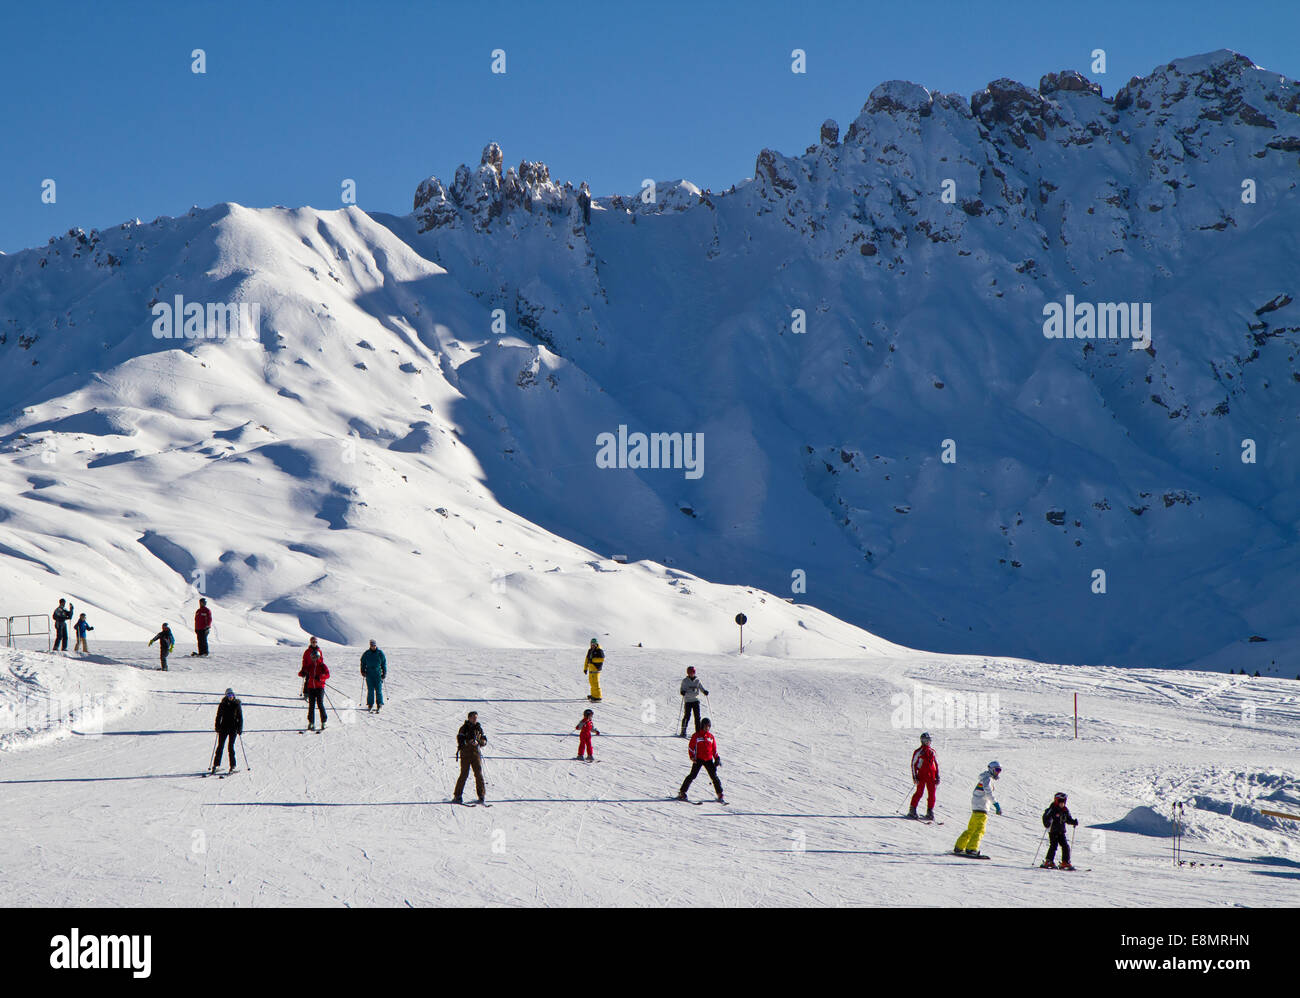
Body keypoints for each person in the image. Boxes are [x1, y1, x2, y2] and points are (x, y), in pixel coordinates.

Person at [953, 761, 1002, 858]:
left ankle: (959, 846)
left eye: (1000, 770)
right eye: (997, 770)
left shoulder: (985, 778)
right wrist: (996, 805)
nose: (998, 772)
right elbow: (988, 792)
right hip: (981, 807)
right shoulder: (987, 779)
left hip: (976, 806)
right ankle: (971, 848)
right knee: (980, 829)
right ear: (991, 769)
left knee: (971, 828)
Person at [677, 717, 725, 803]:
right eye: (706, 726)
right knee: (692, 775)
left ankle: (720, 794)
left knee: (714, 777)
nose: (707, 728)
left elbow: (714, 750)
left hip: (709, 760)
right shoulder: (696, 735)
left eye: (709, 726)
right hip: (699, 759)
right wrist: (692, 756)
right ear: (702, 726)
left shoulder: (711, 737)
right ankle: (682, 792)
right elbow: (691, 747)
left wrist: (717, 758)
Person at [452, 711, 488, 804]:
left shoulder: (479, 728)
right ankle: (457, 796)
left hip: (476, 754)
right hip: (466, 754)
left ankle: (481, 796)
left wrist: (479, 742)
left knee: (479, 774)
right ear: (469, 718)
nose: (475, 719)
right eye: (473, 717)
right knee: (464, 774)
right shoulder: (464, 728)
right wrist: (468, 742)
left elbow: (484, 740)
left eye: (476, 717)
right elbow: (460, 740)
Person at [1041, 792, 1080, 870]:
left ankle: (1065, 862)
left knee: (1065, 846)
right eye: (1061, 802)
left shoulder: (1065, 810)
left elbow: (1068, 819)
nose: (1062, 804)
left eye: (1063, 802)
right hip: (1053, 831)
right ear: (1056, 801)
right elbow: (1045, 817)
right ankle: (1049, 861)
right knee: (1053, 846)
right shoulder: (1052, 809)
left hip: (1061, 831)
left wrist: (1073, 822)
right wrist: (1047, 823)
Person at [908, 731, 940, 820]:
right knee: (919, 793)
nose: (928, 742)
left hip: (931, 776)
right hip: (921, 775)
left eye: (929, 740)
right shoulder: (918, 751)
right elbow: (913, 764)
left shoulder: (932, 751)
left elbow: (936, 765)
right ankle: (912, 809)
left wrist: (937, 776)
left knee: (932, 794)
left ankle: (930, 811)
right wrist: (914, 776)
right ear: (922, 741)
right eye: (926, 740)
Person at [299, 637, 330, 730]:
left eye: (316, 657)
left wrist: (320, 677)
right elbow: (301, 672)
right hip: (311, 687)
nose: (314, 658)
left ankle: (324, 721)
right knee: (311, 705)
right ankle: (311, 722)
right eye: (313, 657)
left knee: (320, 704)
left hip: (319, 687)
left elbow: (327, 675)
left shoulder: (322, 666)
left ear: (319, 657)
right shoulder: (310, 666)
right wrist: (303, 672)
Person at [211, 688, 243, 774]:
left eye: (232, 695)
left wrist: (240, 729)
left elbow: (240, 718)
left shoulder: (237, 704)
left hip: (233, 728)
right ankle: (216, 765)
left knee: (230, 746)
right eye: (229, 695)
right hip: (223, 727)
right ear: (226, 695)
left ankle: (232, 765)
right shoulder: (222, 704)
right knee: (220, 746)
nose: (230, 697)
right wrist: (217, 726)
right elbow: (218, 716)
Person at [679, 666, 708, 737]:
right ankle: (683, 730)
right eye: (690, 673)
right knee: (687, 716)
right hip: (688, 701)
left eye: (693, 673)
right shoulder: (685, 681)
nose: (691, 674)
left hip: (695, 700)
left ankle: (698, 732)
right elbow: (682, 688)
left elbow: (701, 687)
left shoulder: (697, 680)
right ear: (688, 673)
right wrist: (682, 692)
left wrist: (704, 691)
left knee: (697, 717)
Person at [360, 639, 387, 713]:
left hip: (377, 673)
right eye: (371, 645)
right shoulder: (367, 653)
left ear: (375, 645)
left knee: (378, 689)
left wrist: (384, 673)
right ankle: (370, 704)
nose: (372, 646)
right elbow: (362, 662)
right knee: (370, 690)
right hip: (369, 673)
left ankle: (379, 703)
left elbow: (384, 663)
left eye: (373, 645)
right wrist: (362, 671)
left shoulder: (380, 653)